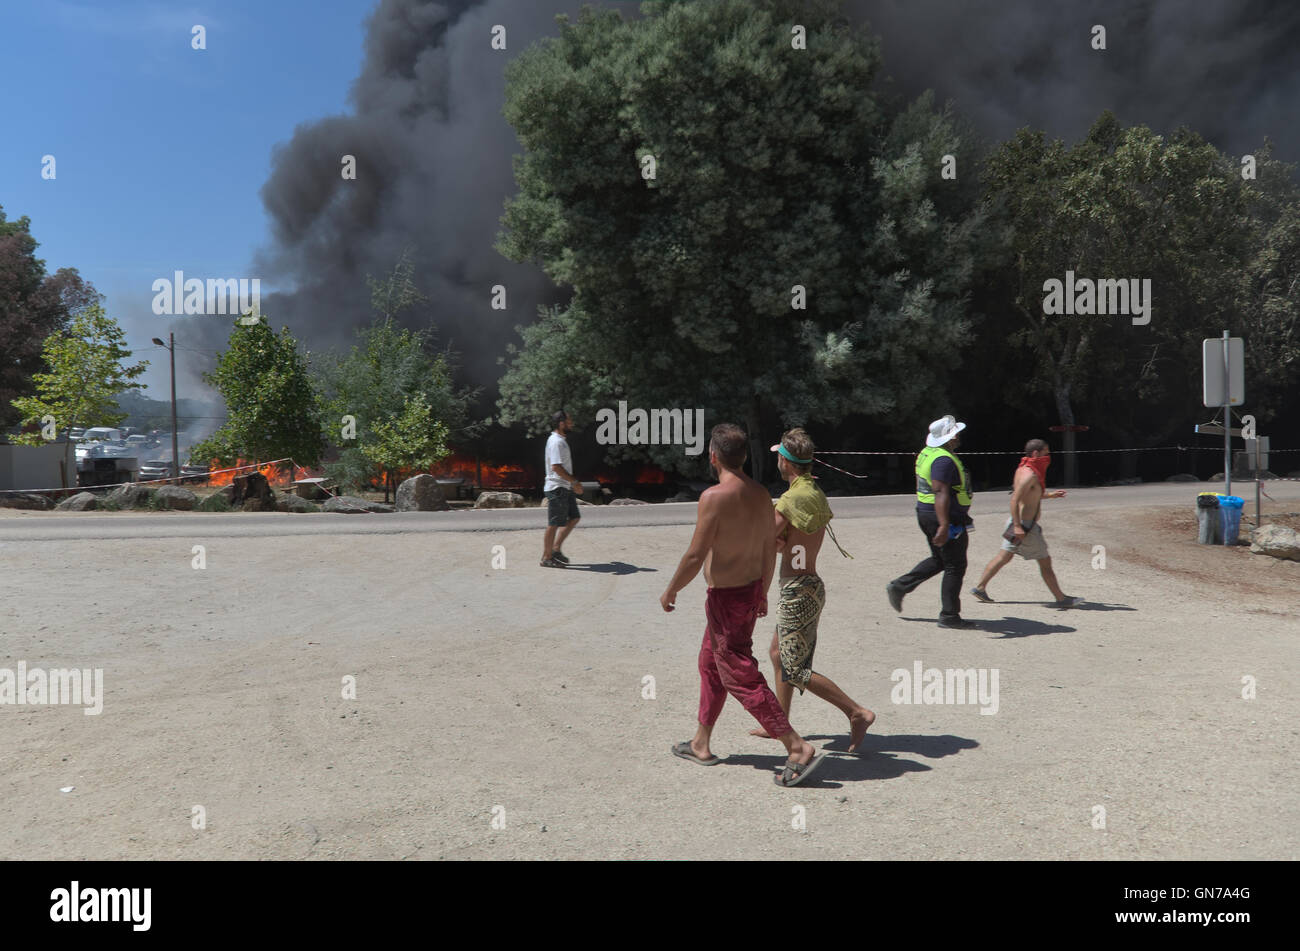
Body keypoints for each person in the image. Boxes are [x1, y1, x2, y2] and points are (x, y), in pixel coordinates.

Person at [661, 423, 826, 787]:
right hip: (749, 592)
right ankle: (700, 743)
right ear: (745, 457)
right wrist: (763, 591)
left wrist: (671, 589)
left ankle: (796, 747)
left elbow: (695, 554)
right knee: (710, 663)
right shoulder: (760, 493)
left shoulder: (714, 497)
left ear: (713, 455)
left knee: (739, 674)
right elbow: (769, 547)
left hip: (727, 598)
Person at [748, 429, 875, 751]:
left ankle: (856, 712)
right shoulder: (815, 492)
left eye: (779, 455)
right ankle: (780, 723)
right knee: (779, 655)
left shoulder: (790, 500)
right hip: (810, 585)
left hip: (796, 589)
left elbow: (764, 542)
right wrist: (780, 543)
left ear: (785, 461)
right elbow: (793, 544)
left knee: (795, 668)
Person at [886, 415, 975, 629]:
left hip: (928, 513)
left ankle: (900, 586)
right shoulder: (943, 460)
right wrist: (944, 525)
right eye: (955, 434)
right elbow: (940, 491)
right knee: (955, 564)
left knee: (941, 559)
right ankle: (949, 615)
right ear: (949, 438)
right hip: (943, 517)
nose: (958, 437)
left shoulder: (929, 453)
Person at [971, 439, 1082, 607]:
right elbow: (1015, 499)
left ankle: (979, 588)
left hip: (1020, 524)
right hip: (1025, 527)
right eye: (1046, 453)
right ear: (1036, 453)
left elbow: (1029, 495)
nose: (1048, 457)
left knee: (1003, 557)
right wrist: (1017, 526)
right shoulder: (1030, 475)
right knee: (1045, 562)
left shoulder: (1023, 469)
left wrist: (1050, 495)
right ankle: (1061, 599)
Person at [540, 410, 583, 568]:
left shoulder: (560, 440)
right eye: (569, 420)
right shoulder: (556, 442)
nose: (571, 423)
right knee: (554, 523)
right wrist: (575, 482)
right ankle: (546, 557)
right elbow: (556, 467)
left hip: (564, 486)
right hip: (557, 487)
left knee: (574, 517)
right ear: (561, 423)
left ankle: (555, 549)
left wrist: (571, 484)